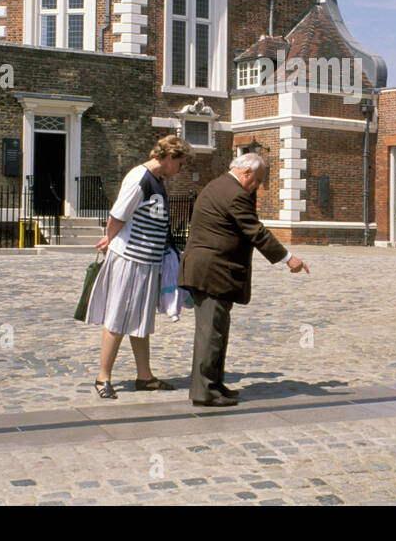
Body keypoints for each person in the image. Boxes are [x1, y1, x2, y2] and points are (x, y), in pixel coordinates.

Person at [180, 153, 309, 407]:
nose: (257, 187)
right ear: (246, 173)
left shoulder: (218, 185)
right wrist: (288, 258)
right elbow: (255, 231)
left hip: (211, 270)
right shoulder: (234, 193)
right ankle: (205, 391)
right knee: (211, 334)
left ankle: (214, 384)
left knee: (215, 331)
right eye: (258, 181)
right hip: (213, 271)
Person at [86, 135, 192, 398]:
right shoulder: (140, 177)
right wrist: (110, 237)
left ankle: (144, 376)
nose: (181, 170)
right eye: (181, 164)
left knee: (140, 319)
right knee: (118, 316)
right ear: (170, 157)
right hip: (131, 258)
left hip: (147, 261)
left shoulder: (156, 181)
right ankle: (103, 377)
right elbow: (118, 214)